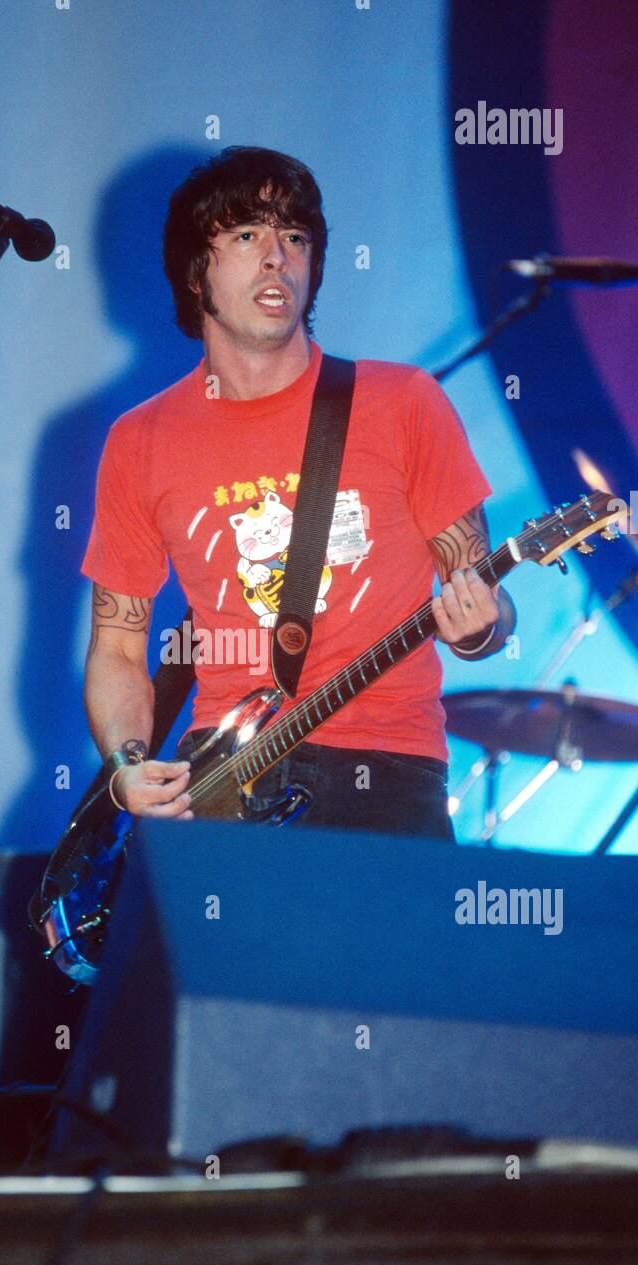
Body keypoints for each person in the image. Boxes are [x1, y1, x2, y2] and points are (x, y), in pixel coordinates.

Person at [80, 147, 515, 838]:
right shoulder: (141, 439)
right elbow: (118, 650)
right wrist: (128, 763)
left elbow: (483, 601)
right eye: (248, 235)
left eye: (295, 237)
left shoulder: (402, 402)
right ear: (197, 272)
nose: (277, 257)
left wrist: (482, 626)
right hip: (221, 782)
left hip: (386, 773)